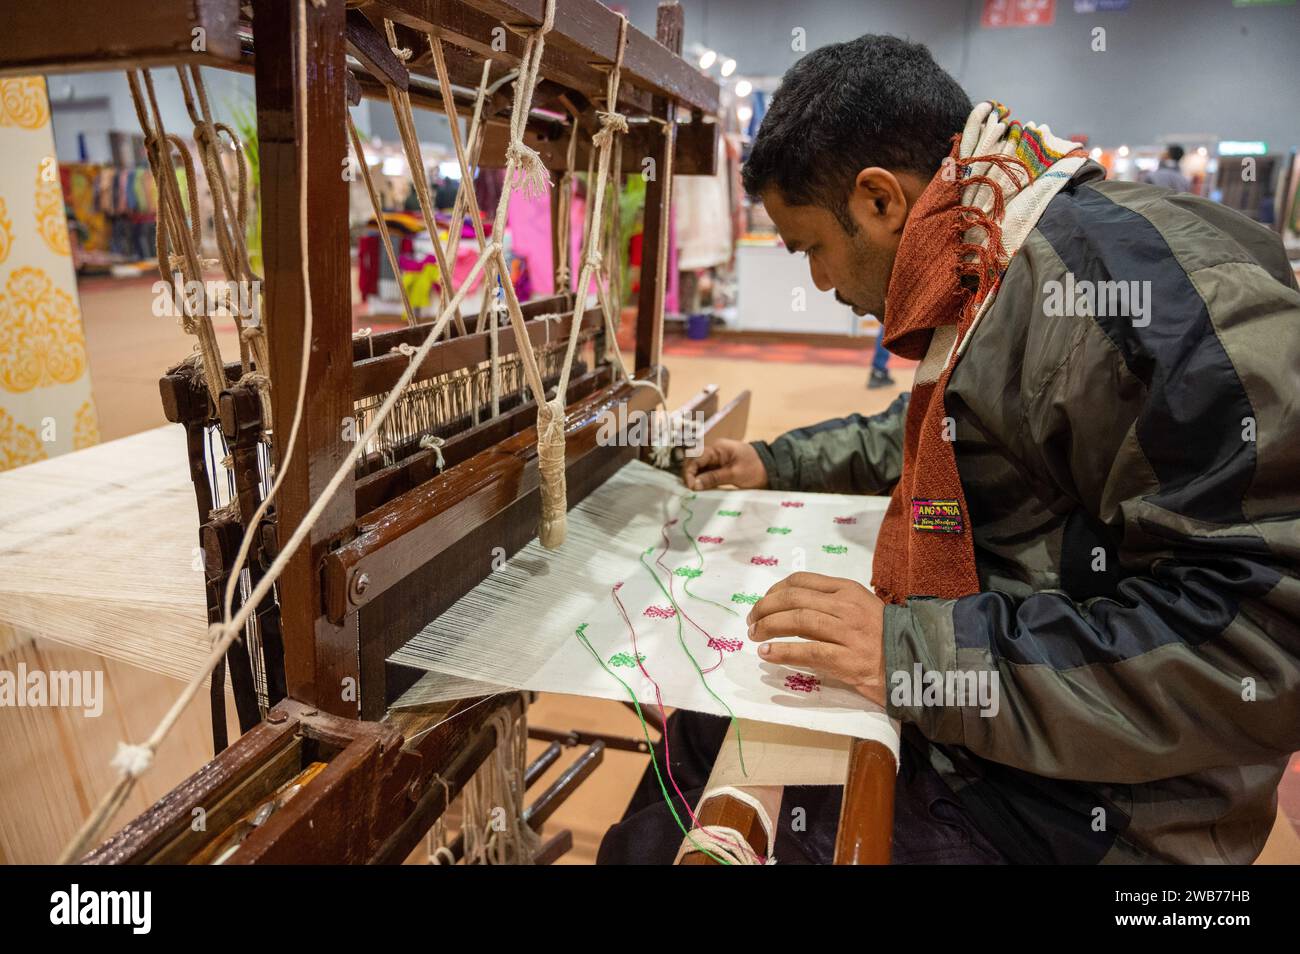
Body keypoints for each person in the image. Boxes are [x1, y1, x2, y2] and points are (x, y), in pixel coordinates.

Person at [599, 34, 1300, 864]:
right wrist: (776, 463)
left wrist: (914, 655)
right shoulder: (1001, 252)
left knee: (676, 833)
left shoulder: (1120, 302)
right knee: (702, 736)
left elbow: (1264, 635)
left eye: (813, 248)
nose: (821, 284)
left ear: (880, 200)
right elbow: (955, 438)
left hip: (1107, 808)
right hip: (1045, 737)